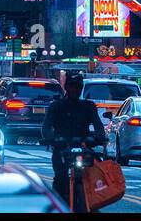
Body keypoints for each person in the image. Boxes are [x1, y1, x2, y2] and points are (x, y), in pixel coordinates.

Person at [41, 72, 108, 209]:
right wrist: (51, 139)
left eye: (77, 87)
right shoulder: (57, 106)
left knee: (95, 177)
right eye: (72, 86)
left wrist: (99, 137)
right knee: (60, 177)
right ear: (66, 87)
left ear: (81, 88)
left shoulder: (88, 106)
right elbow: (46, 126)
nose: (74, 90)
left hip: (83, 148)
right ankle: (57, 206)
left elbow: (98, 124)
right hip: (62, 148)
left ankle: (92, 204)